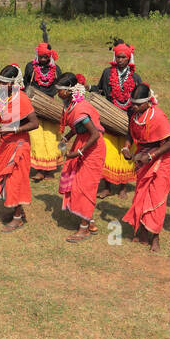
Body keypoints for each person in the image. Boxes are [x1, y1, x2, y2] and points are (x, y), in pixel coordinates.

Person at [124, 84, 170, 251]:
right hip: (142, 157)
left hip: (161, 158)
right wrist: (126, 147)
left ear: (148, 102)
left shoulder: (158, 116)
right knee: (141, 193)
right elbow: (129, 133)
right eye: (133, 103)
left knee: (156, 197)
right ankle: (142, 233)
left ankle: (155, 237)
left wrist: (152, 155)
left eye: (139, 104)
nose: (135, 107)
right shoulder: (134, 114)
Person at [0, 64, 39, 231]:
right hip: (6, 143)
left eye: (6, 83)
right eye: (1, 82)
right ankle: (18, 210)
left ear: (15, 83)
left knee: (15, 180)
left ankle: (17, 218)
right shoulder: (2, 96)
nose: (3, 85)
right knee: (6, 178)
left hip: (19, 144)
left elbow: (34, 123)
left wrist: (14, 129)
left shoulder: (22, 98)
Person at [57, 72, 105, 242]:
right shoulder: (71, 105)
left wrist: (78, 152)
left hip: (92, 148)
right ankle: (89, 221)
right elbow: (78, 128)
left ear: (70, 91)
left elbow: (95, 135)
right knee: (73, 181)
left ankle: (83, 229)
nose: (58, 93)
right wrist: (67, 137)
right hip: (83, 143)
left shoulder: (80, 109)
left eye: (60, 90)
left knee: (84, 186)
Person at [92, 40, 141, 198]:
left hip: (127, 120)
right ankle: (107, 187)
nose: (120, 60)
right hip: (108, 117)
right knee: (107, 152)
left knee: (125, 153)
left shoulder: (136, 77)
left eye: (123, 57)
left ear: (129, 59)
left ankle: (122, 188)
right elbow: (100, 89)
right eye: (117, 57)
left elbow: (139, 98)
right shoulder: (107, 73)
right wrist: (87, 88)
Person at [23, 42, 63, 180]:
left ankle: (50, 169)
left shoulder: (56, 69)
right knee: (36, 138)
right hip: (34, 107)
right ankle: (40, 169)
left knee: (51, 137)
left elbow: (61, 87)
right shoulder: (30, 67)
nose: (44, 60)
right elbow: (25, 84)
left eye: (46, 57)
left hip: (50, 107)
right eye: (41, 57)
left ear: (50, 56)